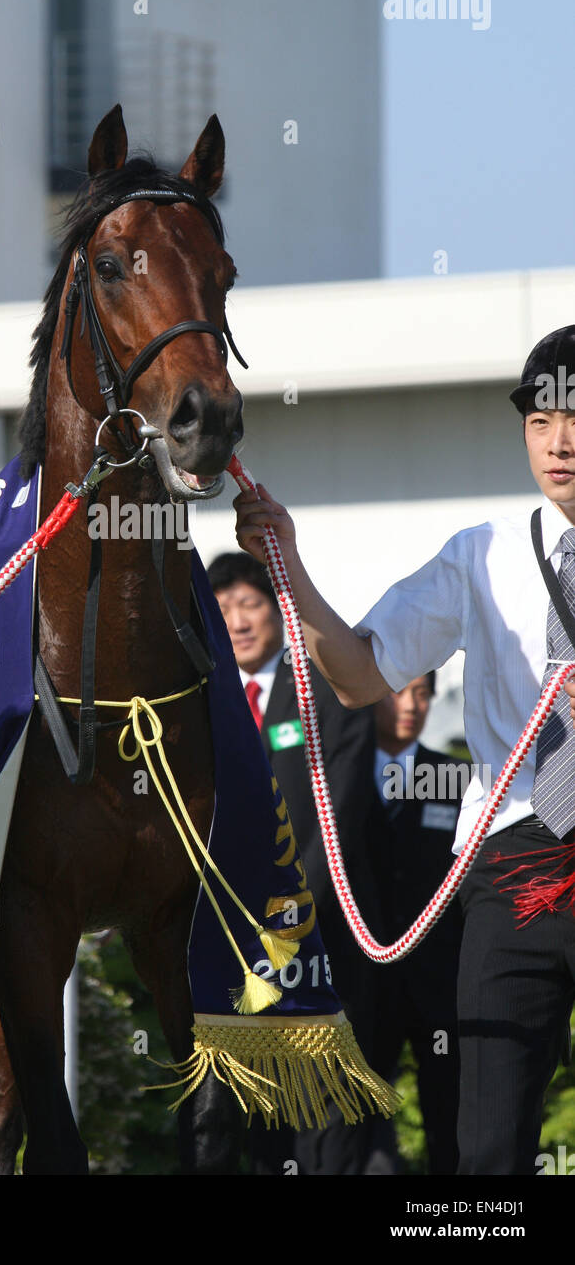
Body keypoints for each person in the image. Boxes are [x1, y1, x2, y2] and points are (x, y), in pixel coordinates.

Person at [233, 323, 575, 1176]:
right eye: (540, 421)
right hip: (516, 861)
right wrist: (290, 570)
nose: (560, 440)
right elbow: (357, 676)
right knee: (488, 1146)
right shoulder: (482, 554)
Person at [208, 550, 386, 1175]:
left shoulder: (322, 691)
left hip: (322, 925)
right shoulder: (203, 707)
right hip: (233, 939)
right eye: (224, 607)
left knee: (325, 1093)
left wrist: (287, 911)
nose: (238, 620)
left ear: (277, 613)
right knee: (253, 1100)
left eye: (250, 604)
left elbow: (338, 808)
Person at [370, 671, 464, 1175]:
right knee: (352, 1124)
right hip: (362, 982)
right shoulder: (333, 775)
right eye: (398, 691)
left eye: (423, 693)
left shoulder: (459, 778)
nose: (411, 705)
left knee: (451, 1119)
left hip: (440, 984)